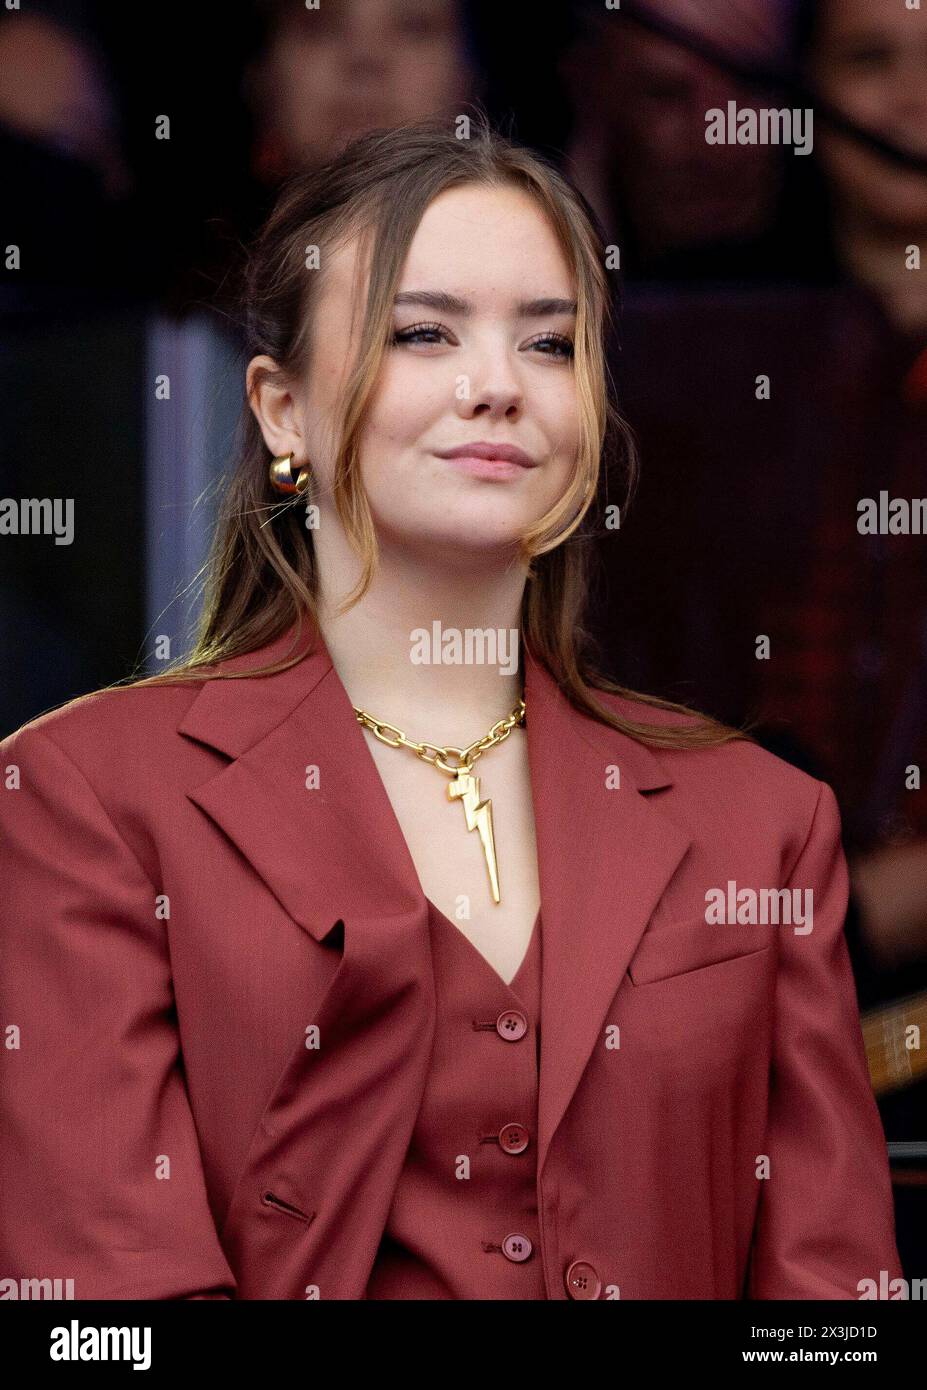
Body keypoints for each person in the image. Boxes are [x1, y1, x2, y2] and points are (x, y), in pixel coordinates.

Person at [0, 113, 904, 1300]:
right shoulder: (90, 796)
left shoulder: (764, 820)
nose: (496, 386)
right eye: (424, 333)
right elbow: (108, 1309)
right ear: (280, 411)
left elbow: (832, 1307)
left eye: (550, 344)